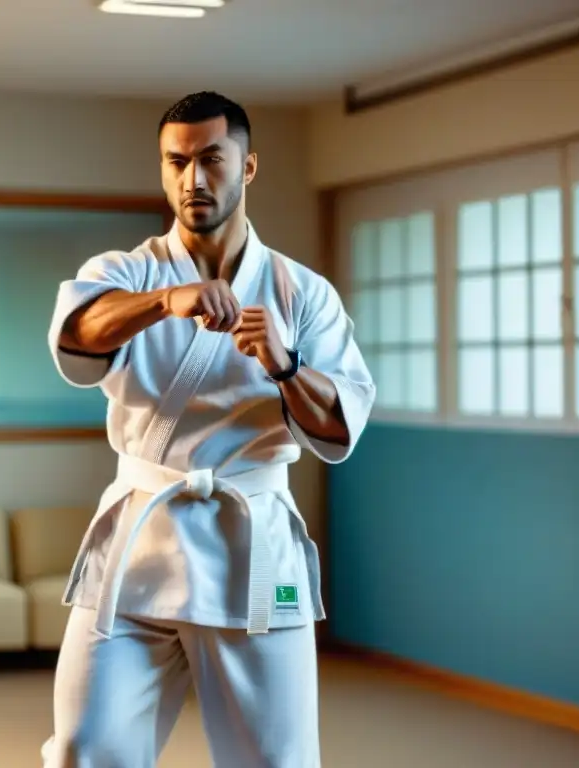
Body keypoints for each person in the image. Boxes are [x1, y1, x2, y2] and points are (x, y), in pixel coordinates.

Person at [41, 91, 376, 768]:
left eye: (212, 160)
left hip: (250, 542)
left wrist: (284, 364)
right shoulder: (127, 273)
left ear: (248, 167)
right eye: (177, 161)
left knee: (276, 760)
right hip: (140, 541)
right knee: (86, 750)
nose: (194, 179)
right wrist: (166, 302)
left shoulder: (300, 293)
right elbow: (76, 334)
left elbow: (340, 427)